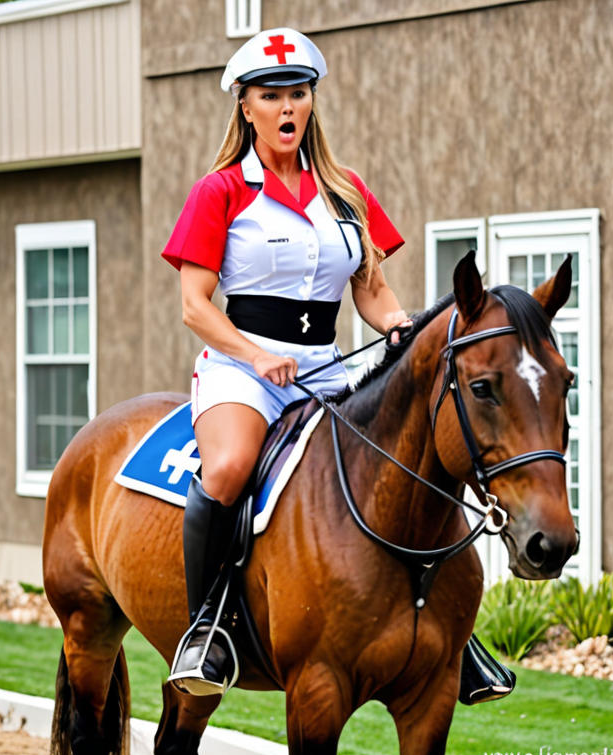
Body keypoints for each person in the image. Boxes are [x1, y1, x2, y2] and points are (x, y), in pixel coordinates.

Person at [161, 27, 513, 704]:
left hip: (327, 368)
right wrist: (259, 358)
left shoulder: (344, 190)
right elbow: (194, 306)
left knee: (414, 464)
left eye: (297, 93)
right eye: (271, 96)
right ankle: (207, 627)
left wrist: (400, 327)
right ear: (246, 107)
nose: (287, 107)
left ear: (311, 102)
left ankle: (457, 639)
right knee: (231, 468)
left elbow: (372, 289)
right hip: (241, 370)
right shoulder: (221, 191)